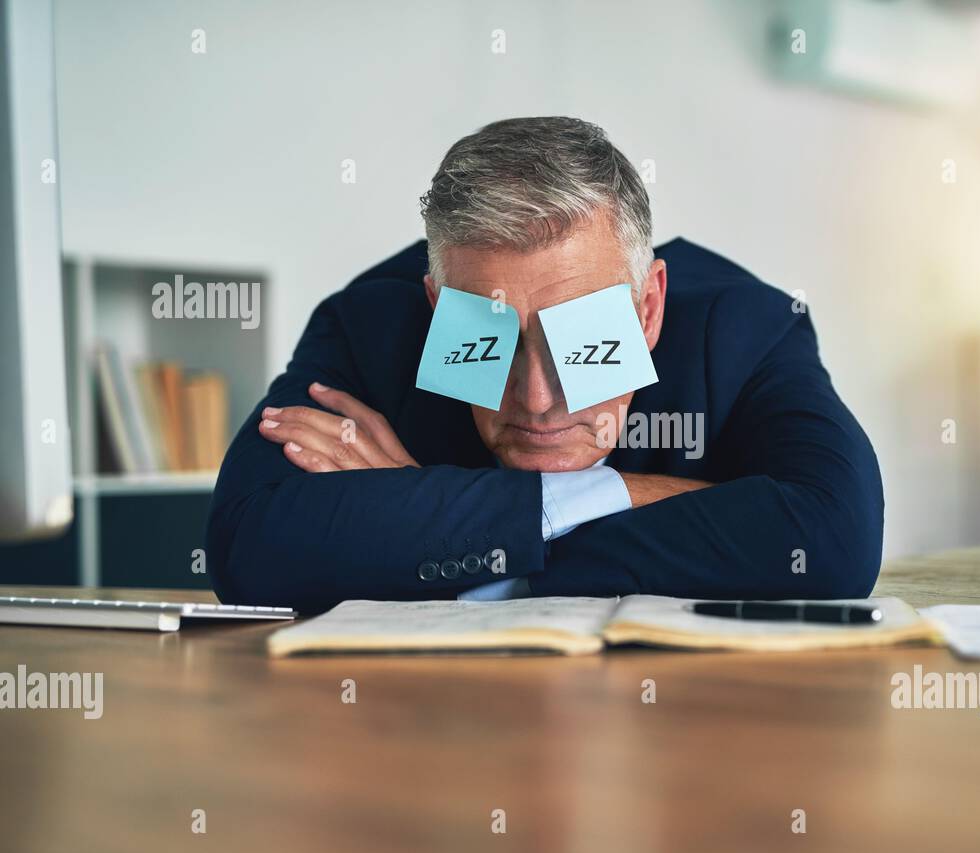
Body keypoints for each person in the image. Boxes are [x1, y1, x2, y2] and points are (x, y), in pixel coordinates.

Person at [206, 117, 884, 613]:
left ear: (648, 310)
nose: (534, 399)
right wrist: (670, 505)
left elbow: (832, 540)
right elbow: (247, 548)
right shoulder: (368, 329)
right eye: (487, 339)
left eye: (584, 341)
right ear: (441, 309)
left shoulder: (746, 330)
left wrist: (433, 511)